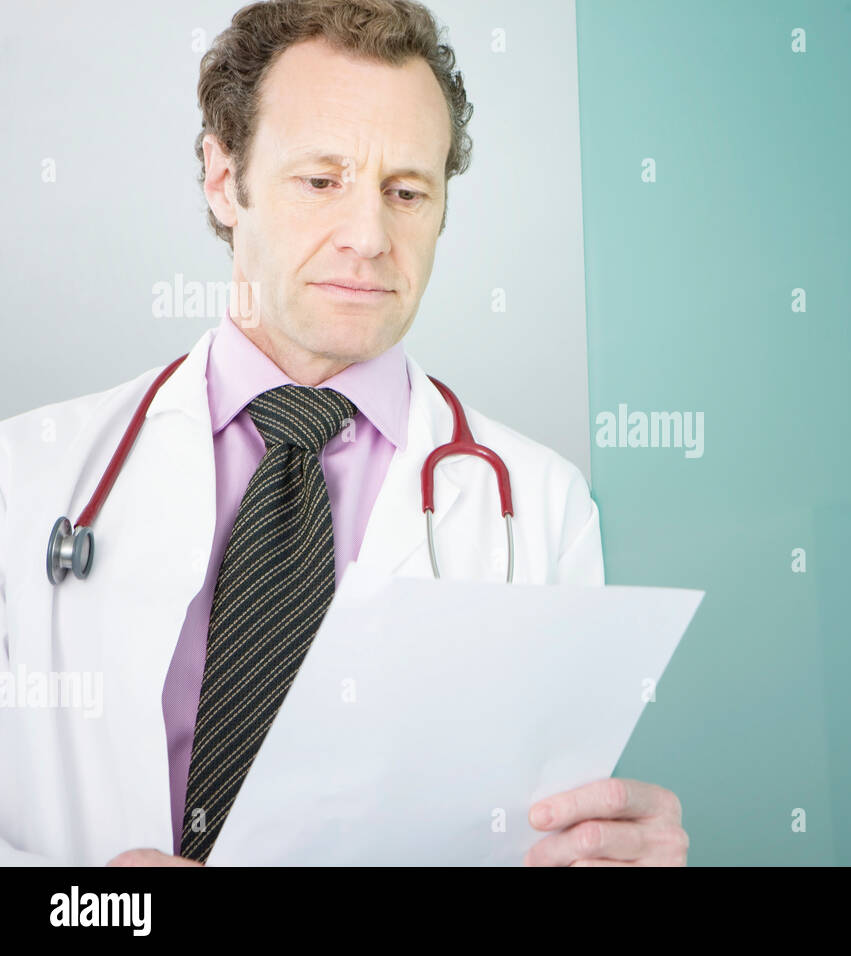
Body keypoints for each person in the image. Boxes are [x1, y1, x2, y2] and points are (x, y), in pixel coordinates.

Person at [0, 0, 687, 867]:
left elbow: (544, 841)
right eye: (321, 181)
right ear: (224, 178)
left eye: (406, 192)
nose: (368, 238)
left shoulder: (542, 510)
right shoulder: (23, 480)